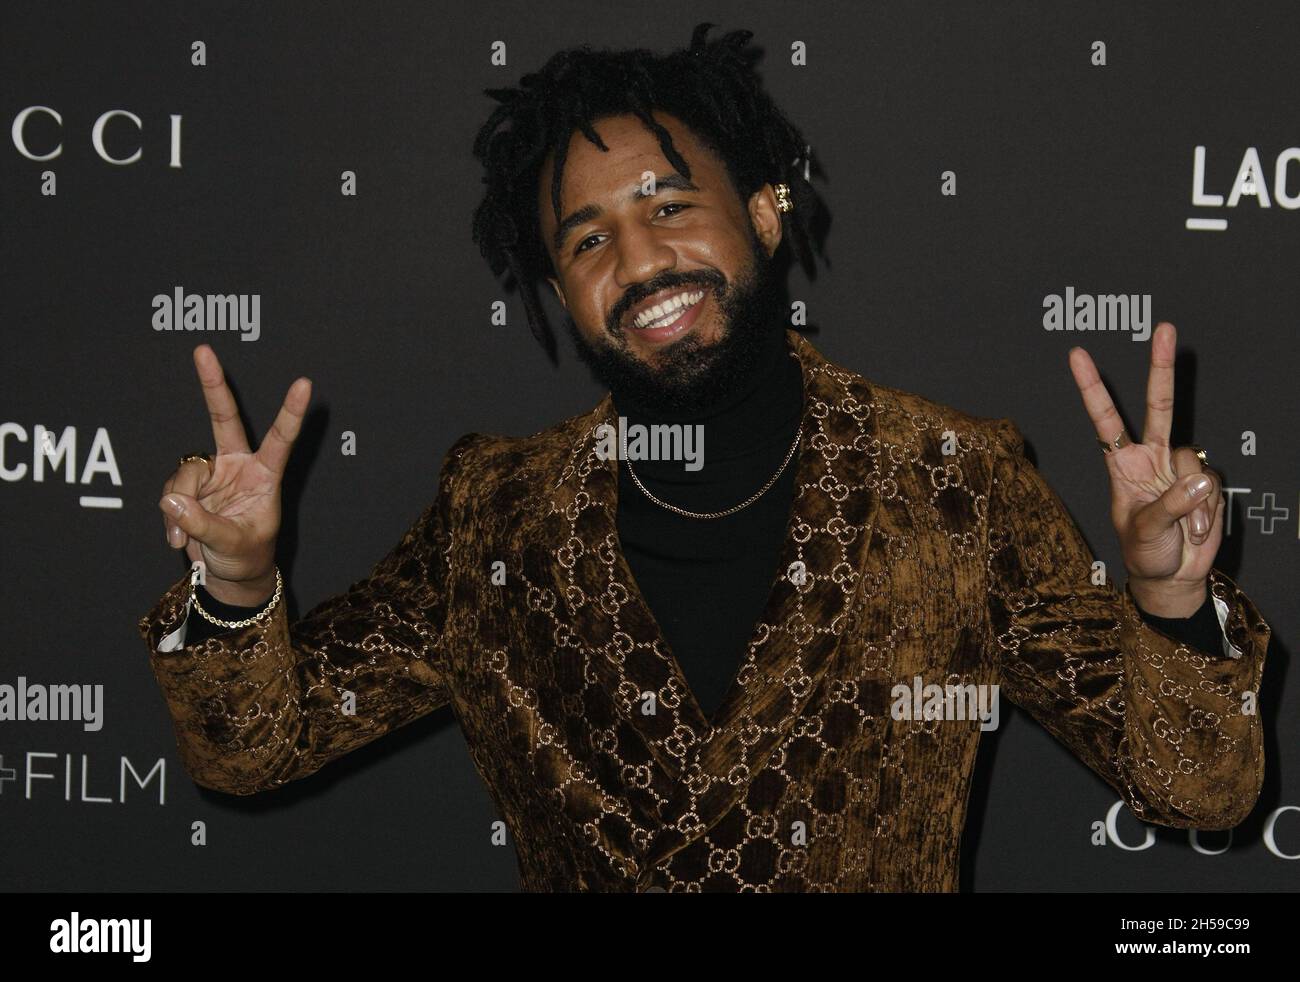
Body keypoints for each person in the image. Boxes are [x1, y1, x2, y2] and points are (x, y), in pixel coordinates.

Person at [138, 23, 1270, 892]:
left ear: (768, 214)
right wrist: (236, 586)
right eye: (586, 240)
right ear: (559, 291)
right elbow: (253, 751)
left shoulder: (951, 479)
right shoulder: (495, 513)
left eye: (668, 205)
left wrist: (1169, 602)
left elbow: (1197, 783)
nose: (638, 259)